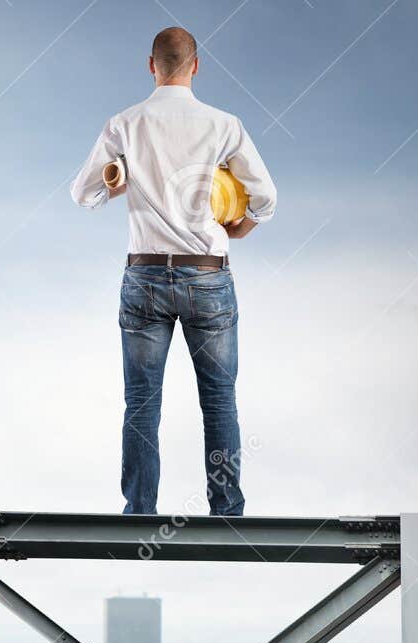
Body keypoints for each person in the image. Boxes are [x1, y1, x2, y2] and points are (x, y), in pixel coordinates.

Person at [69, 25, 277, 517]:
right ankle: (226, 512)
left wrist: (122, 185)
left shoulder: (125, 123)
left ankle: (139, 512)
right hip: (208, 276)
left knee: (141, 404)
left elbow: (84, 194)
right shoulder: (224, 125)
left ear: (151, 66)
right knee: (220, 402)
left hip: (144, 277)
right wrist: (243, 225)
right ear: (196, 66)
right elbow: (266, 197)